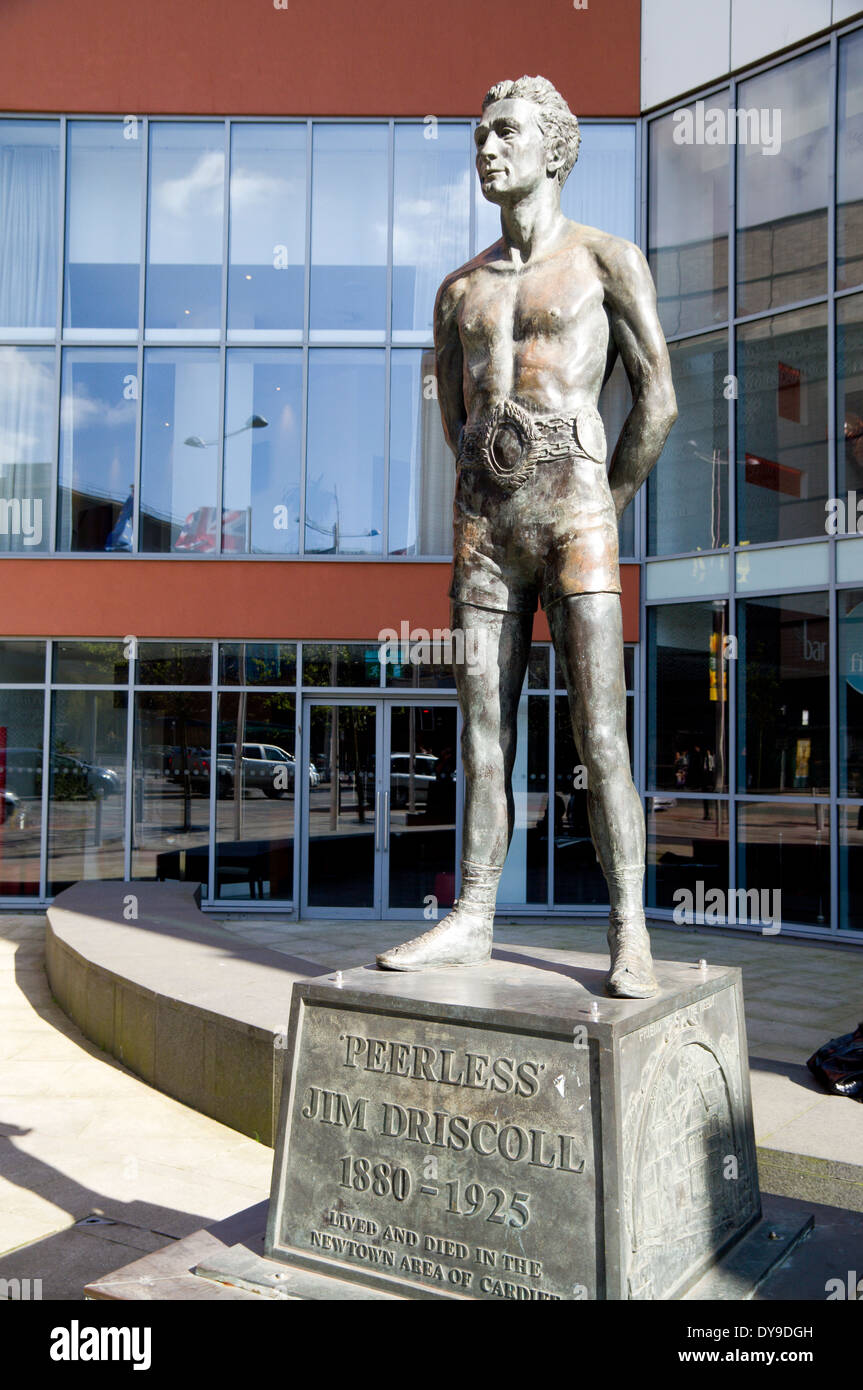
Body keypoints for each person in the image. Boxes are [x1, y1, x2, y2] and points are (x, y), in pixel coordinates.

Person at [377, 76, 677, 997]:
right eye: (476, 135)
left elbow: (656, 400)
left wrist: (601, 504)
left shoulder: (605, 260)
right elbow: (457, 419)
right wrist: (488, 496)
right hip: (486, 527)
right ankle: (471, 912)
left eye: (504, 132)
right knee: (479, 732)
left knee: (600, 733)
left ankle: (628, 927)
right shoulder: (457, 290)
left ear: (553, 147)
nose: (485, 149)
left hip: (577, 514)